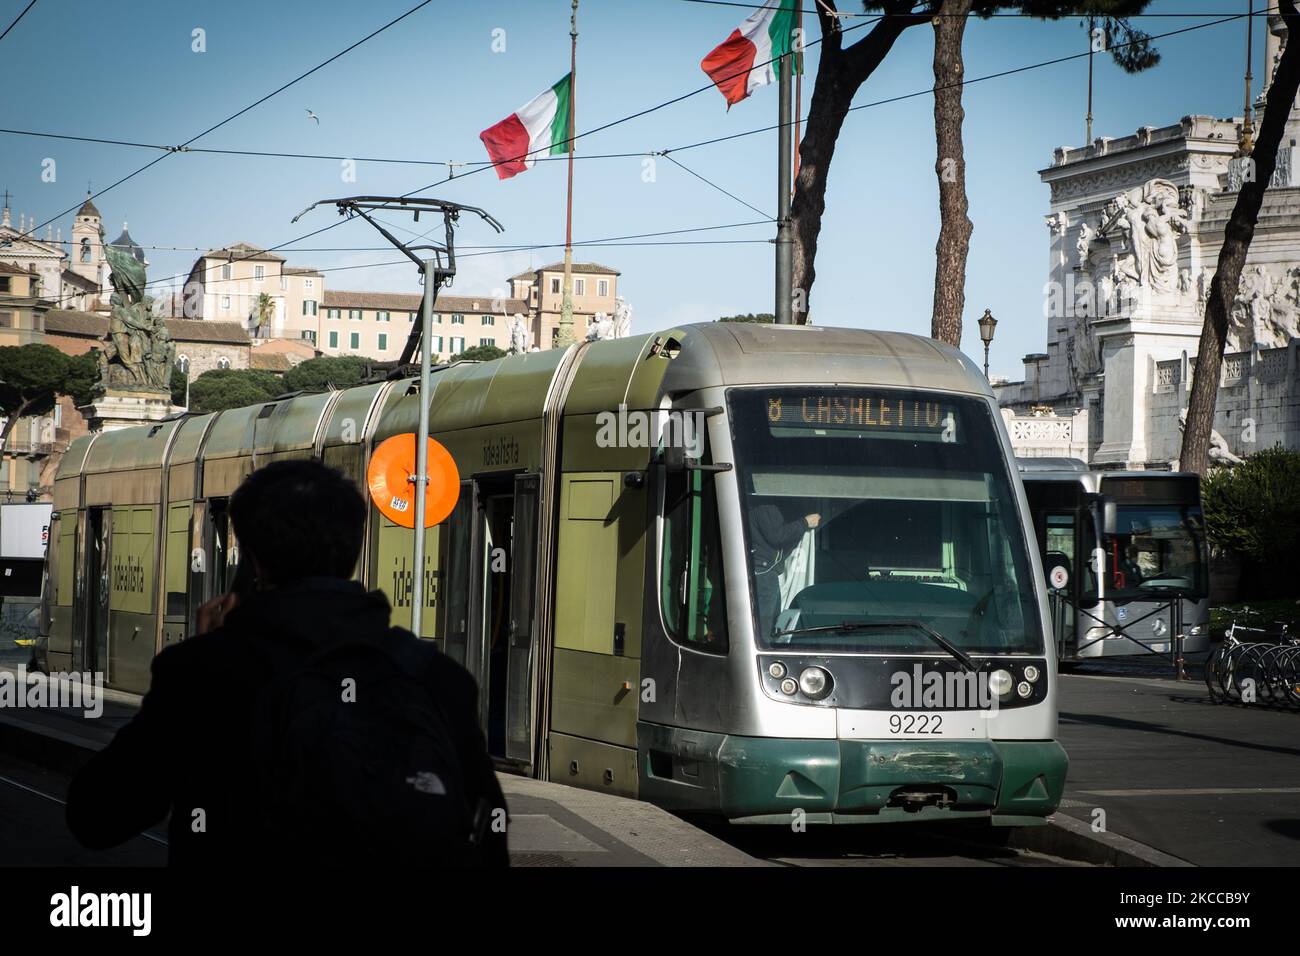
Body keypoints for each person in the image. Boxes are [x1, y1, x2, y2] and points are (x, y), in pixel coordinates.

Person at [65, 459, 508, 867]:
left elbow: (98, 817)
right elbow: (489, 832)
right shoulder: (435, 675)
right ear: (354, 549)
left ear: (254, 560)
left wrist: (204, 661)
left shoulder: (206, 671)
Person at [749, 501, 819, 639]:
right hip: (764, 572)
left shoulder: (764, 508)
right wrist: (804, 523)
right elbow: (777, 537)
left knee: (774, 622)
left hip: (767, 571)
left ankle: (773, 644)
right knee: (765, 625)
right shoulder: (766, 507)